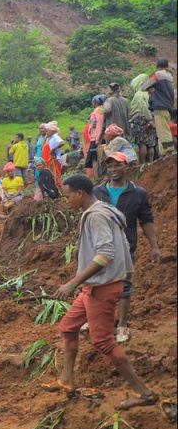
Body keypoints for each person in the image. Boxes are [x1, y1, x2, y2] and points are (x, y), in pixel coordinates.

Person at [45, 175, 159, 410]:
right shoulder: (103, 210)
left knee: (103, 342)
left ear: (80, 194)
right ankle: (66, 380)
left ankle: (144, 393)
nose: (66, 201)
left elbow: (105, 254)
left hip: (102, 288)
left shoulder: (97, 216)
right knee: (68, 328)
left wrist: (72, 283)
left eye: (68, 196)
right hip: (94, 287)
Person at [92, 152, 161, 344]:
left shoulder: (138, 194)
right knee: (98, 282)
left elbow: (146, 220)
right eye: (110, 166)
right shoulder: (98, 192)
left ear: (127, 166)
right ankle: (99, 320)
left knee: (124, 286)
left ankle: (122, 324)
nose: (113, 170)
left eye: (118, 166)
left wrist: (154, 246)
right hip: (100, 246)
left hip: (126, 246)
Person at [139, 58, 175, 154]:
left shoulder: (158, 75)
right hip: (167, 107)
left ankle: (168, 151)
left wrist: (150, 90)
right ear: (167, 66)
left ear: (157, 66)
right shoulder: (170, 77)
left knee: (163, 131)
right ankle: (163, 153)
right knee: (162, 130)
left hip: (160, 107)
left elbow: (143, 87)